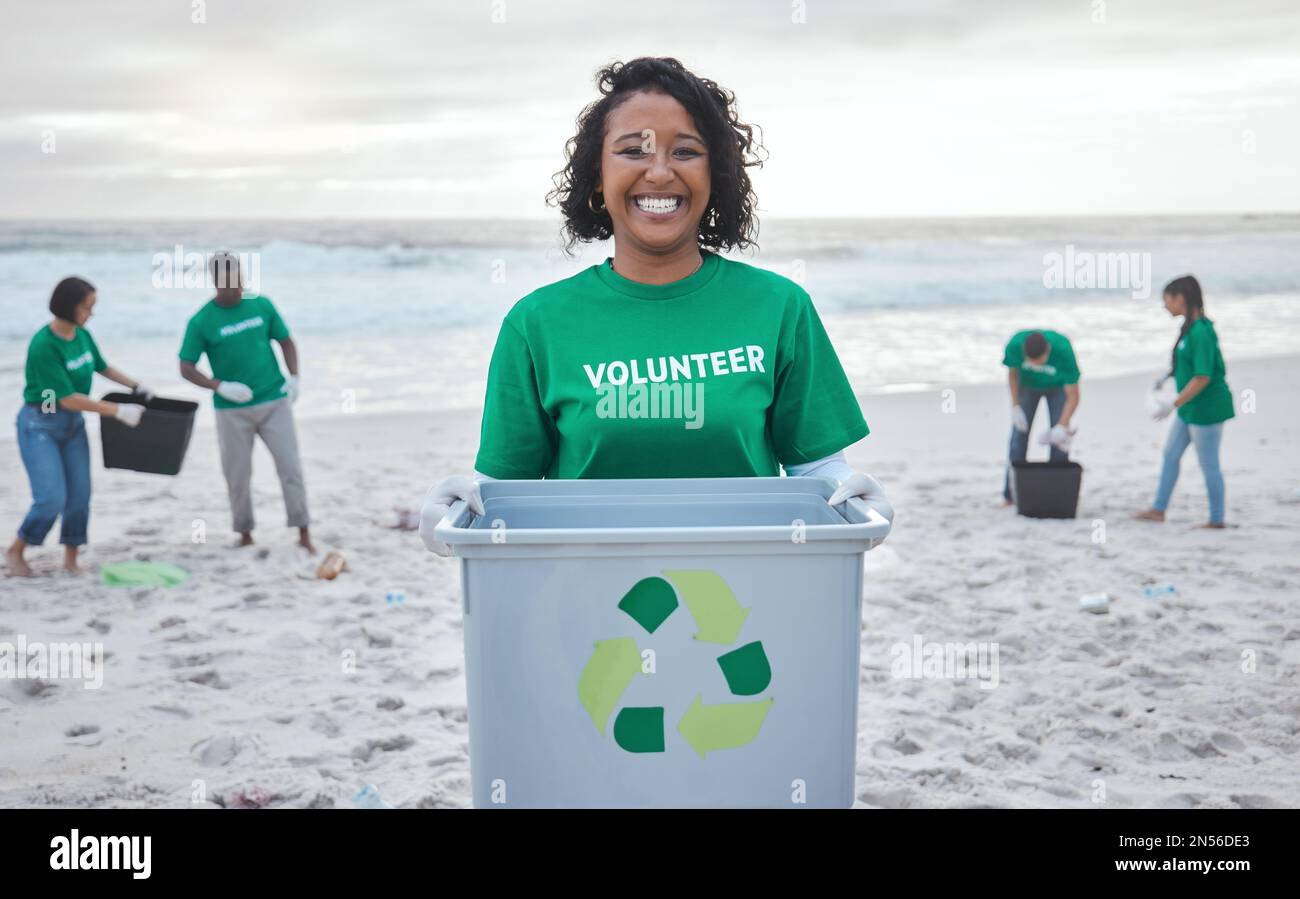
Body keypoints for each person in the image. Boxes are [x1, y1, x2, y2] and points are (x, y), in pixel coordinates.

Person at [420, 57, 892, 552]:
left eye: (686, 152)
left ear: (716, 175)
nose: (660, 172)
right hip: (582, 595)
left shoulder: (779, 307)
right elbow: (502, 497)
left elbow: (815, 470)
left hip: (746, 594)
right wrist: (448, 523)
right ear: (597, 177)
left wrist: (856, 496)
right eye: (633, 151)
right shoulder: (536, 323)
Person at [6, 277, 149, 577]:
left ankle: (71, 558)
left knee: (79, 496)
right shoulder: (43, 345)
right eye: (87, 307)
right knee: (50, 499)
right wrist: (117, 411)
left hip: (72, 426)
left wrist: (136, 385)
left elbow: (102, 366)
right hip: (40, 423)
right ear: (68, 307)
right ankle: (17, 549)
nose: (91, 313)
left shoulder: (82, 334)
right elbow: (67, 398)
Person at [179, 252, 313, 552]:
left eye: (240, 278)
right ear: (216, 282)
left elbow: (286, 340)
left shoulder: (261, 304)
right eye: (231, 282)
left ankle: (303, 532)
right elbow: (185, 366)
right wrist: (219, 386)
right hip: (232, 411)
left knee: (290, 468)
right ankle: (244, 533)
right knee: (237, 475)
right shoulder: (202, 321)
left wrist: (294, 376)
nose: (238, 287)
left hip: (274, 401)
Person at [1137, 275, 1233, 527]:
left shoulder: (1201, 331)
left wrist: (1173, 404)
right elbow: (1185, 365)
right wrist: (1166, 377)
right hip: (1188, 407)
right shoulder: (1188, 329)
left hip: (1206, 408)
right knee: (1170, 454)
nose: (1164, 306)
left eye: (1166, 300)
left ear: (1180, 298)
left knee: (1209, 464)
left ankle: (1216, 519)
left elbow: (1202, 377)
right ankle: (1158, 509)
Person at [1001, 328, 1080, 504]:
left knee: (1059, 442)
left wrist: (1062, 425)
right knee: (1018, 438)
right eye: (1032, 362)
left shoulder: (1063, 349)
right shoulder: (1014, 345)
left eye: (1040, 361)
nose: (1036, 366)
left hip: (1058, 387)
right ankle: (1010, 495)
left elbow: (1073, 394)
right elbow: (1012, 374)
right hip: (1027, 387)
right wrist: (1015, 406)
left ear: (1048, 351)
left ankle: (1058, 494)